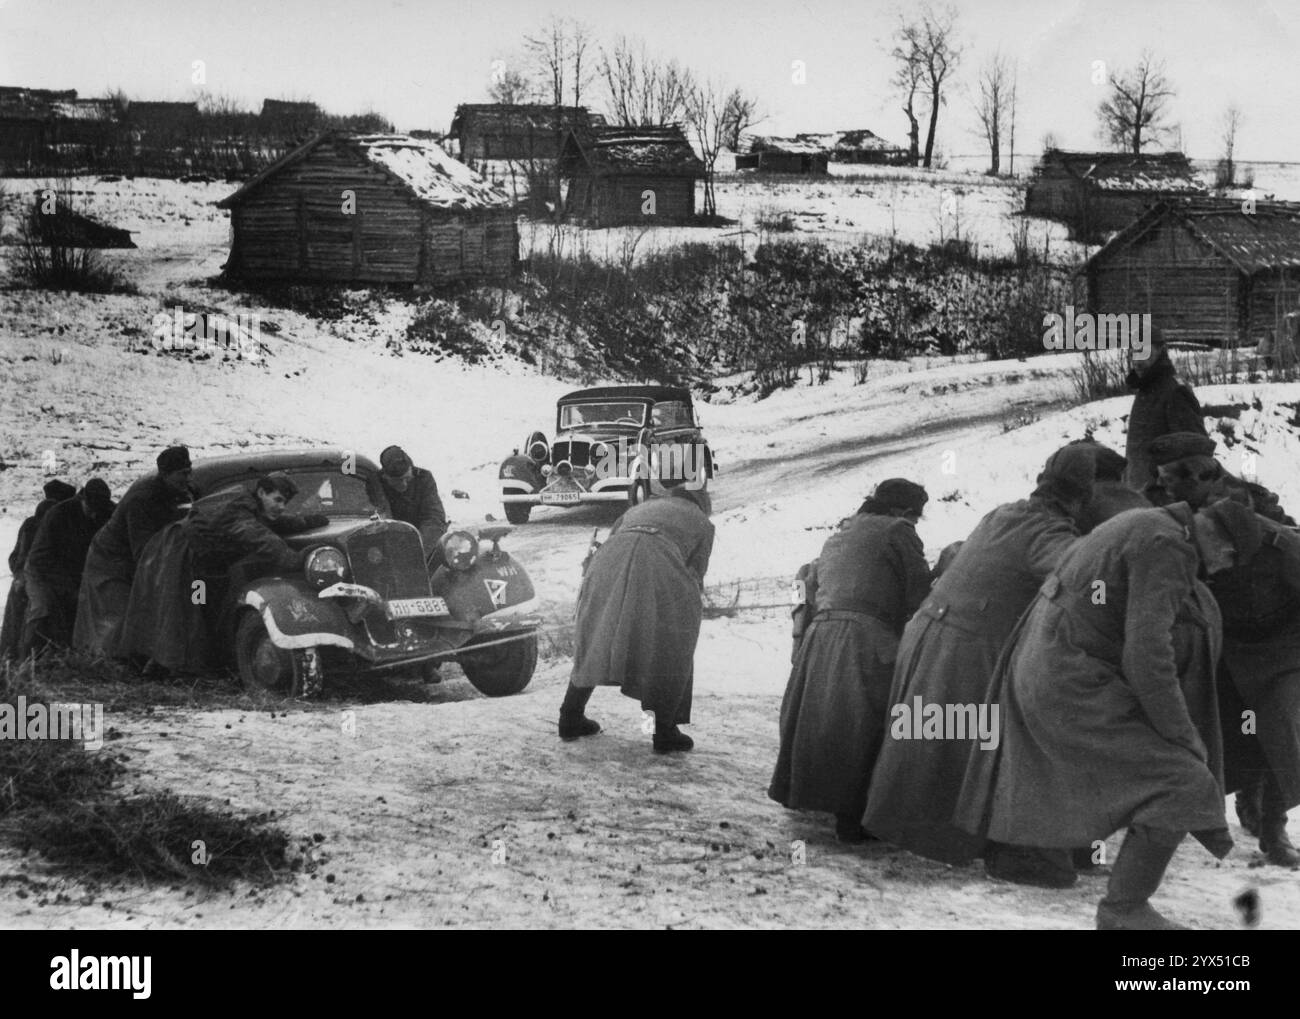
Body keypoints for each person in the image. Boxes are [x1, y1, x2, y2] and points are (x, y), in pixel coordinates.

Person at [955, 499, 1260, 930]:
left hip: (1049, 670)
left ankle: (1122, 905)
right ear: (1216, 537)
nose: (1224, 568)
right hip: (1072, 682)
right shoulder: (1169, 546)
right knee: (1184, 780)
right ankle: (1124, 910)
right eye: (1230, 556)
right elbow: (1148, 653)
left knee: (1164, 777)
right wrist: (1183, 735)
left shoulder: (1145, 522)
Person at [862, 448, 1093, 876]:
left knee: (929, 740)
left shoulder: (1004, 513)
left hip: (934, 632)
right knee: (968, 746)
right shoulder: (1049, 533)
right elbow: (1087, 573)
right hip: (966, 648)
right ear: (1082, 499)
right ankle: (992, 848)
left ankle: (901, 825)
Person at [769, 478, 931, 842]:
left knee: (827, 718)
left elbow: (812, 581)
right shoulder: (899, 531)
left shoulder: (841, 532)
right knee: (866, 723)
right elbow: (918, 593)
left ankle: (814, 796)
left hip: (822, 634)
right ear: (905, 511)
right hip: (867, 636)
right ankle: (854, 816)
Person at [557, 479, 714, 753]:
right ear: (701, 502)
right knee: (666, 650)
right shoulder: (702, 522)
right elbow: (695, 575)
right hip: (658, 562)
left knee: (596, 638)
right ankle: (659, 732)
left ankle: (569, 717)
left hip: (607, 563)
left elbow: (614, 537)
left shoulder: (640, 508)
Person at [120, 472, 327, 674]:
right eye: (278, 500)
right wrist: (296, 559)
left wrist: (307, 522)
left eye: (285, 503)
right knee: (183, 611)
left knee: (195, 610)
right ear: (262, 492)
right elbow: (259, 536)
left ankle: (177, 667)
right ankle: (165, 669)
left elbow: (269, 522)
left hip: (197, 556)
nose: (281, 507)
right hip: (181, 555)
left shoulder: (250, 502)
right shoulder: (239, 510)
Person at [1204, 500, 1300, 867]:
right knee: (1239, 734)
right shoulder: (1199, 533)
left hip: (1284, 652)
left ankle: (1274, 830)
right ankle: (1242, 805)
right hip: (1232, 650)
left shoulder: (1284, 547)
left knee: (1282, 735)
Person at [73, 446, 194, 657]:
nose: (187, 478)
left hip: (137, 557)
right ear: (166, 474)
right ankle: (109, 662)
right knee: (118, 615)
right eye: (182, 474)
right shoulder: (142, 501)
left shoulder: (181, 493)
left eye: (189, 472)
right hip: (109, 560)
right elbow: (144, 552)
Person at [20, 479, 114, 657]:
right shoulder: (59, 514)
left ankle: (74, 655)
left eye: (99, 511)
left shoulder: (107, 511)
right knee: (42, 609)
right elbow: (41, 558)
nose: (95, 516)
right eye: (91, 510)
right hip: (40, 570)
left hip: (78, 572)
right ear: (82, 499)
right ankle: (27, 660)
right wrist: (69, 588)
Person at [1, 479, 77, 660]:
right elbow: (20, 557)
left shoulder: (36, 522)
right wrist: (22, 576)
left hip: (32, 580)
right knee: (32, 620)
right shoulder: (37, 524)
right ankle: (24, 659)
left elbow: (15, 557)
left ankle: (22, 659)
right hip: (31, 581)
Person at [1123, 332, 1207, 492]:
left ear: (1161, 351)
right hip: (1140, 497)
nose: (1137, 361)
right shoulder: (1145, 390)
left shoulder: (1175, 392)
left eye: (1144, 352)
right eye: (1134, 353)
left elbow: (1197, 452)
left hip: (1164, 502)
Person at [374, 446, 447, 558]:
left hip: (423, 543)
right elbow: (383, 520)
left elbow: (434, 518)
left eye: (407, 479)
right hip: (390, 547)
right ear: (385, 477)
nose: (404, 485)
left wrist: (419, 549)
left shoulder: (423, 479)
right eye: (397, 481)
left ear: (412, 470)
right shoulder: (376, 485)